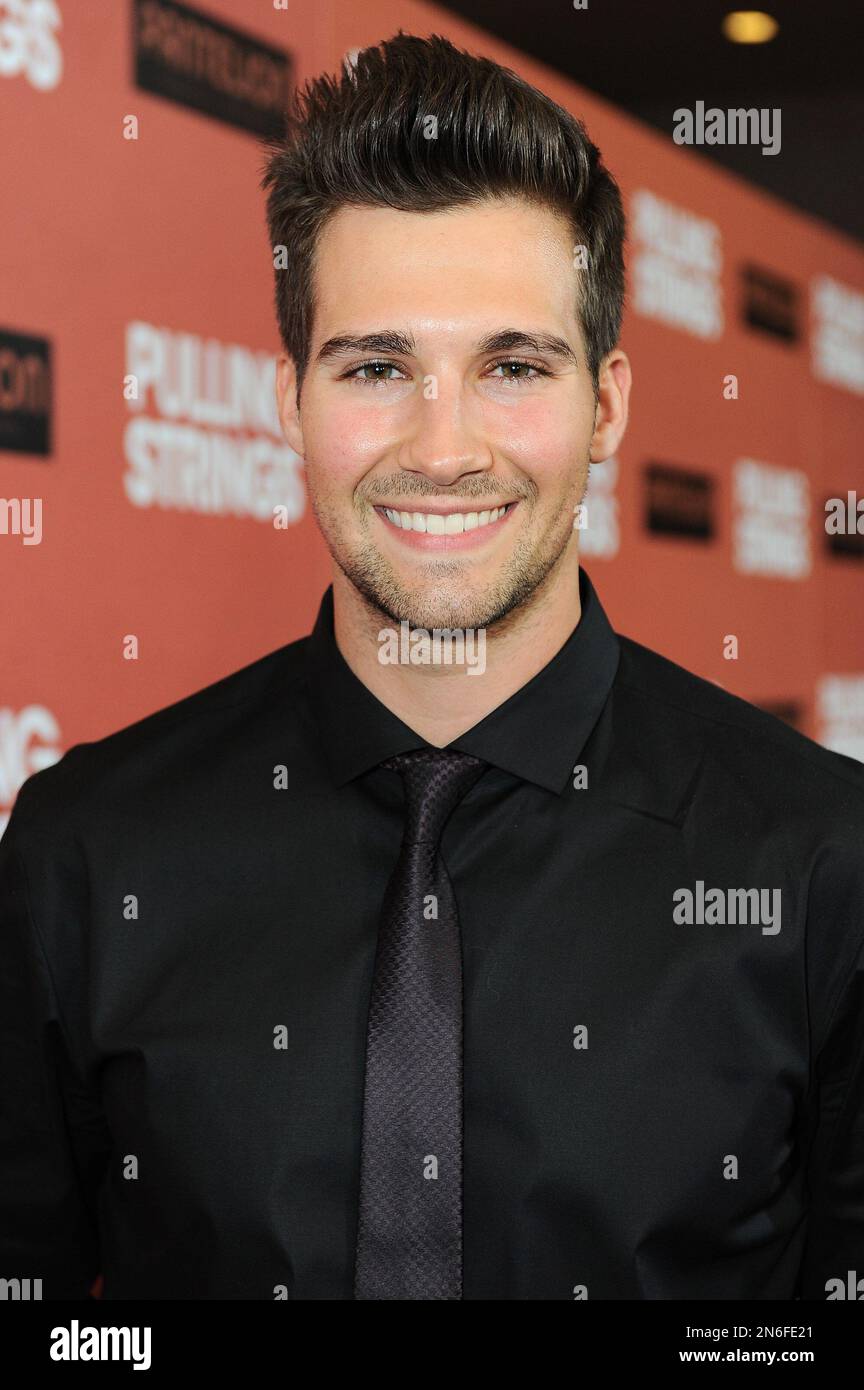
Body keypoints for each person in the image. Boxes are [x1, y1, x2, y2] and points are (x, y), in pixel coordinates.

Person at [1, 32, 862, 1302]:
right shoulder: (84, 852)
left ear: (607, 405)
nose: (443, 446)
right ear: (290, 400)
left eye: (512, 367)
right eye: (377, 367)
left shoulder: (824, 862)